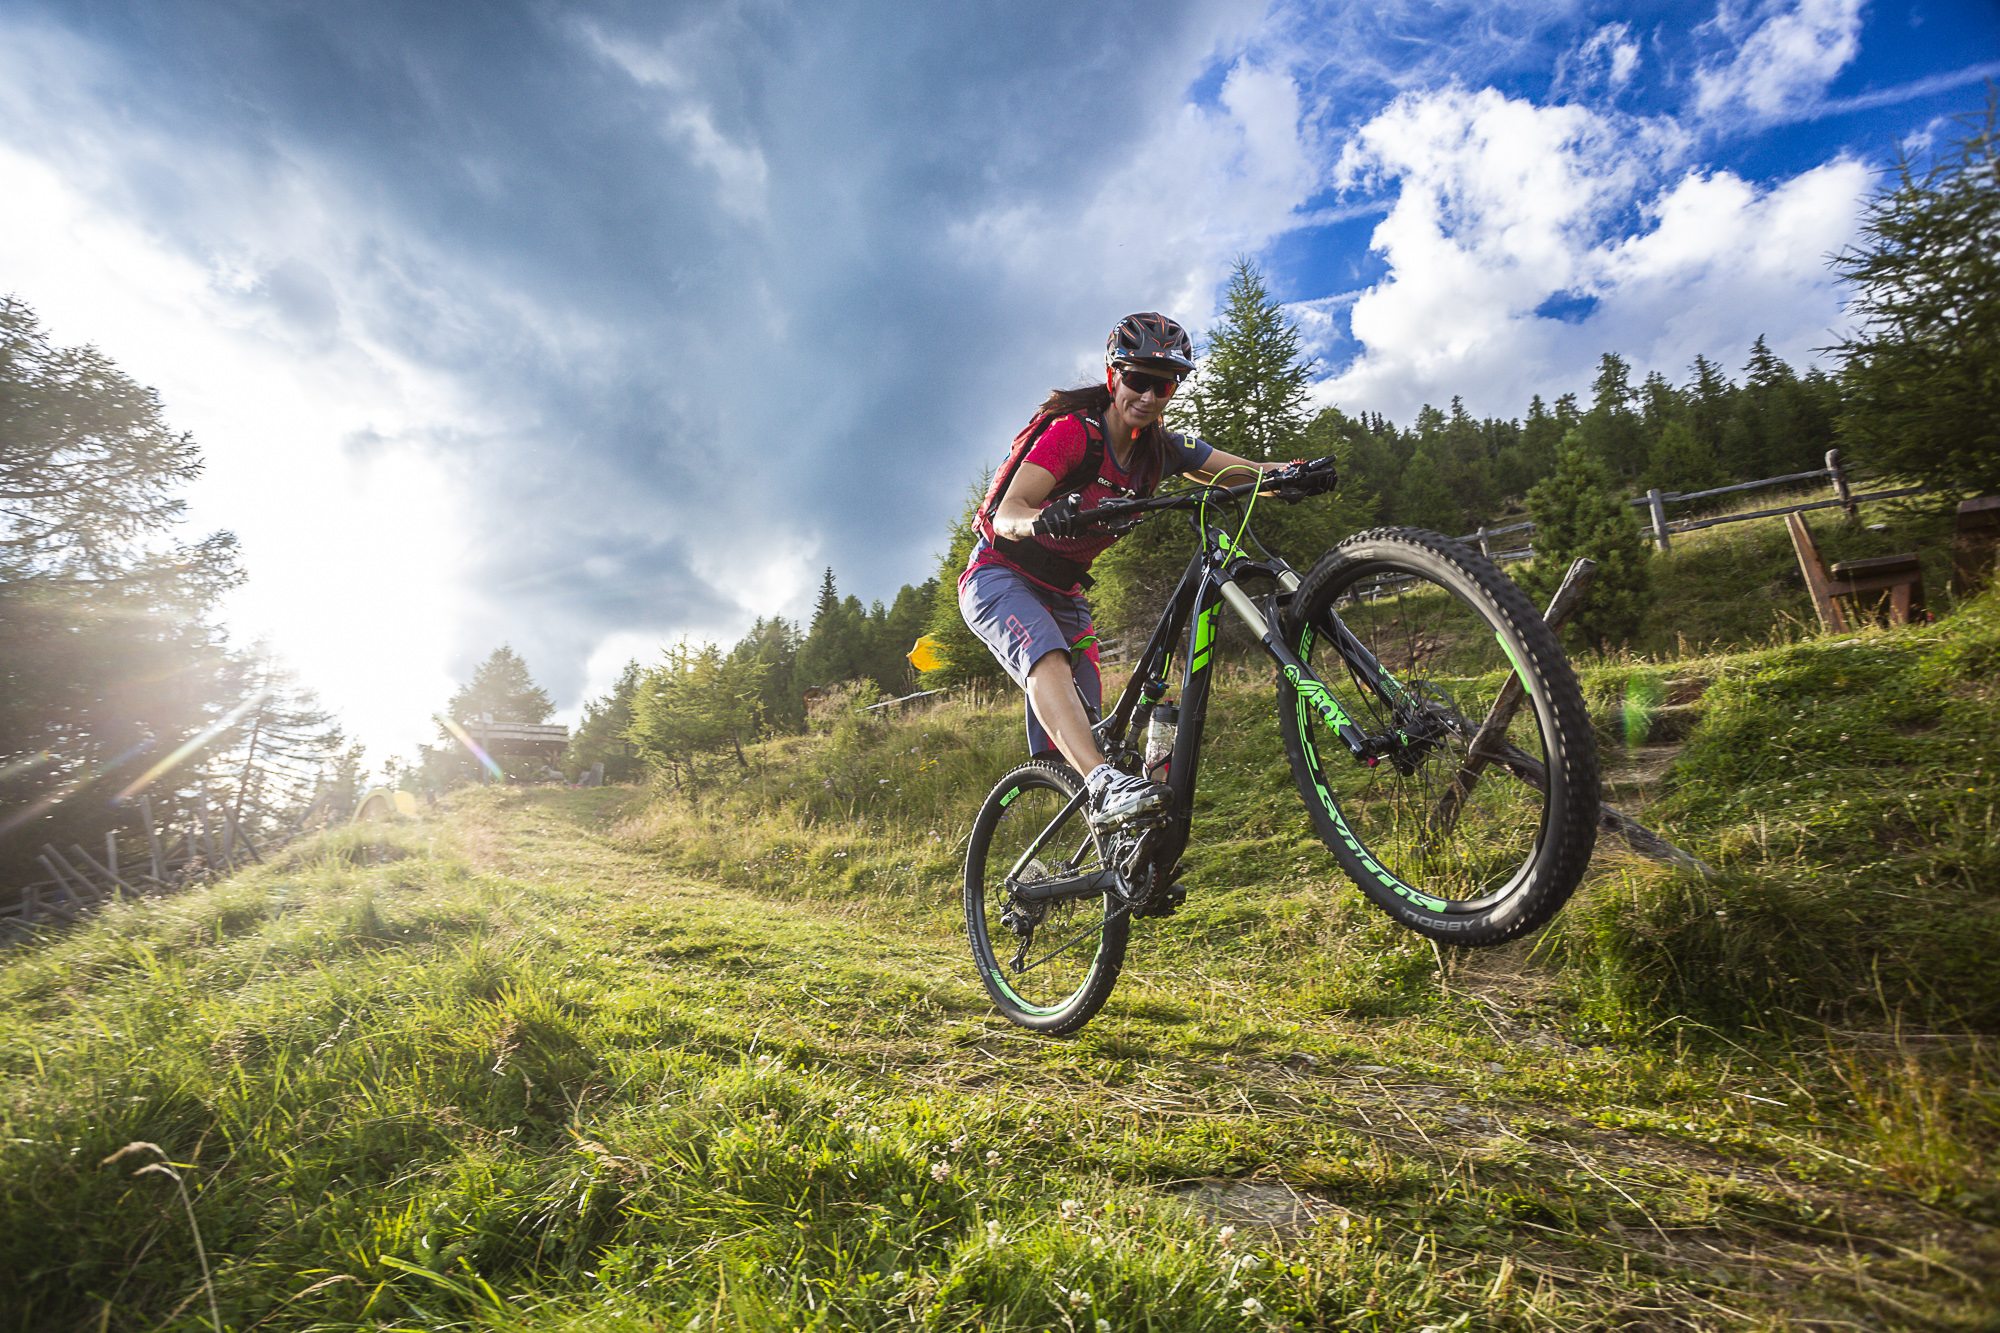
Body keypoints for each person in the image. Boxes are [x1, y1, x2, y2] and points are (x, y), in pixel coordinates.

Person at [959, 312, 1283, 833]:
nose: (1149, 396)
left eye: (1164, 385)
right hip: (999, 574)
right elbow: (1007, 512)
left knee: (1093, 730)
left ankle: (1117, 841)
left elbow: (1245, 473)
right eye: (1138, 380)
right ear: (1114, 376)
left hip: (1065, 593)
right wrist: (1045, 517)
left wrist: (1297, 474)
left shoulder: (1161, 451)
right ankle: (1104, 784)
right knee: (1046, 654)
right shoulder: (1073, 434)